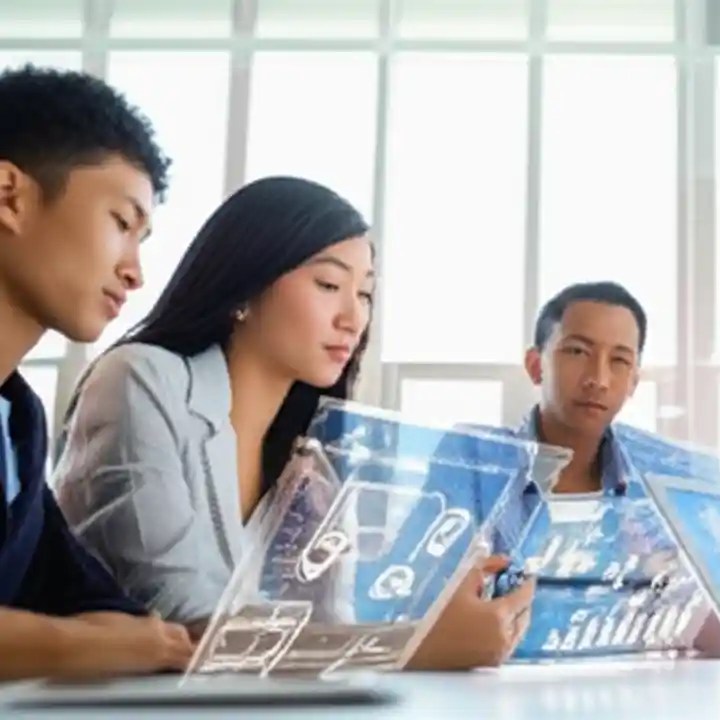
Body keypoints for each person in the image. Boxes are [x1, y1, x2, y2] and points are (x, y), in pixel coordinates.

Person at [53, 176, 535, 671]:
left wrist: (430, 608)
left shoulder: (310, 460)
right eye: (328, 285)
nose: (353, 317)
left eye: (365, 294)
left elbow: (326, 626)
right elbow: (182, 617)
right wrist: (411, 645)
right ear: (246, 284)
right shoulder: (142, 379)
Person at [0, 64, 193, 680]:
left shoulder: (18, 422)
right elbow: (88, 634)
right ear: (9, 195)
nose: (135, 271)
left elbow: (115, 617)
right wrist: (67, 647)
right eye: (121, 222)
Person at [477, 281, 720, 658]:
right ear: (536, 366)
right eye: (578, 351)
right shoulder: (475, 464)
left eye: (619, 360)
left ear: (634, 381)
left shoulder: (669, 478)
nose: (598, 378)